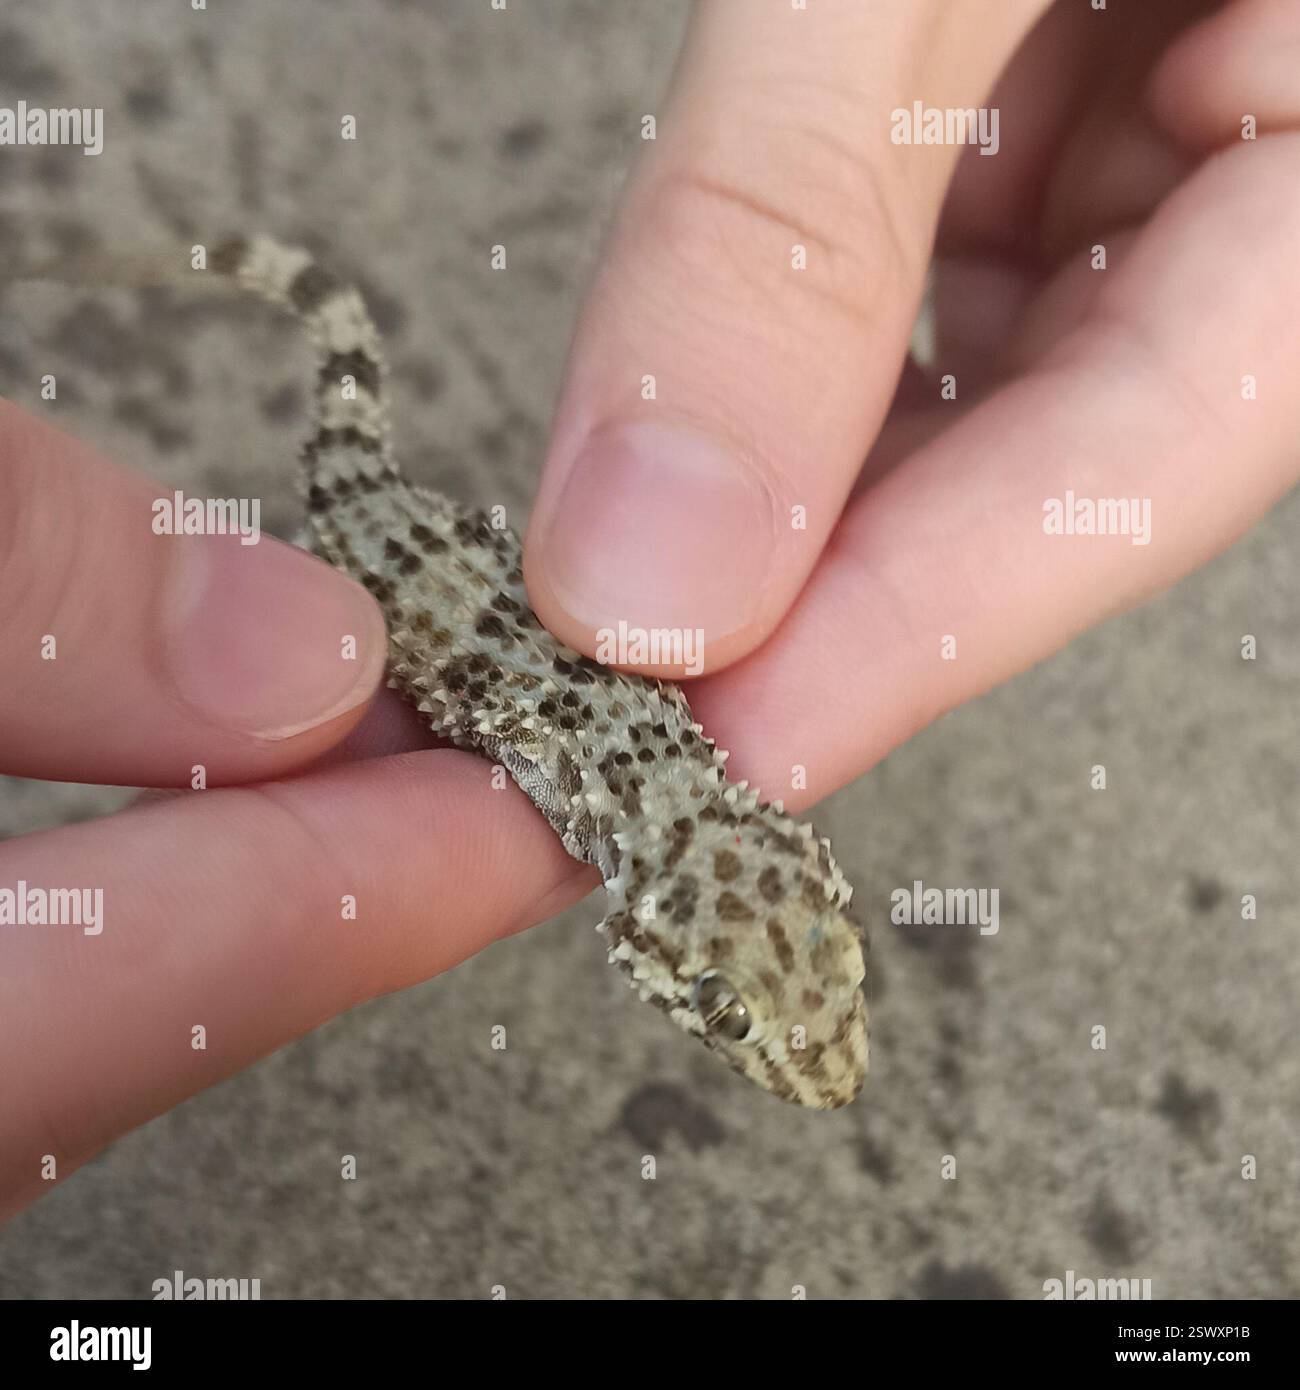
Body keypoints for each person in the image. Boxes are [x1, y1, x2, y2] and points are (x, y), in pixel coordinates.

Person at [1, 0, 1296, 1218]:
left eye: (776, 1005)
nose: (813, 1059)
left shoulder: (671, 761)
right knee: (310, 711)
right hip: (381, 567)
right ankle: (182, 297)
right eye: (735, 1016)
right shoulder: (623, 776)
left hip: (461, 583)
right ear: (654, 941)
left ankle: (261, 306)